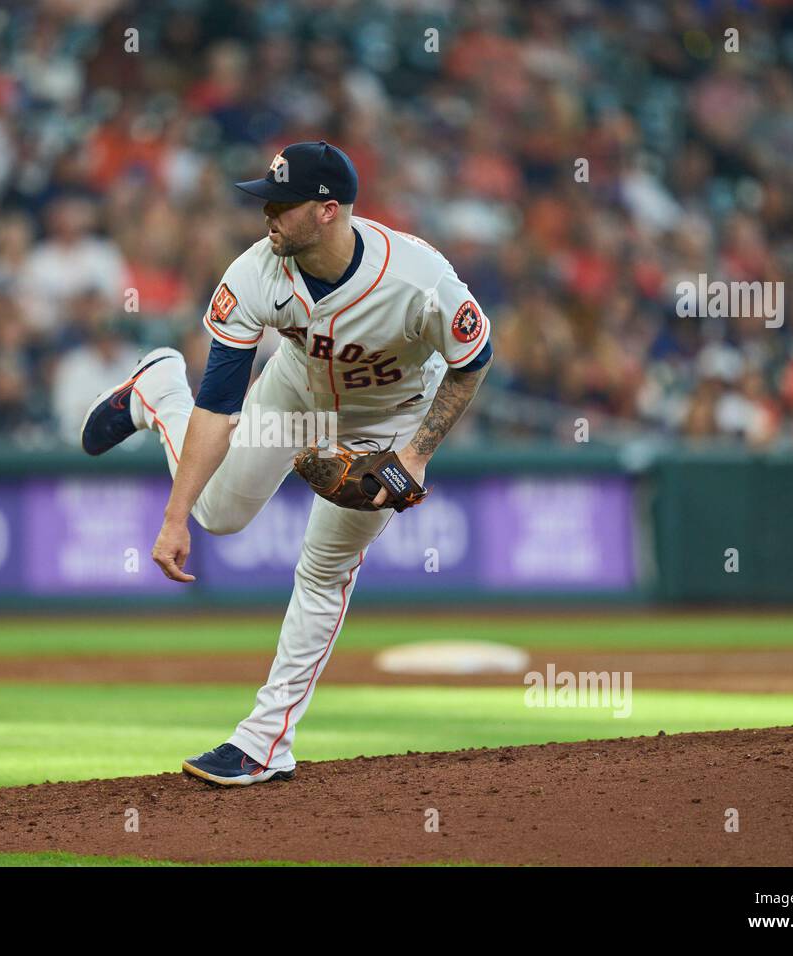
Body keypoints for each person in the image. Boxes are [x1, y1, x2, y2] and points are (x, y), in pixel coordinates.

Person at [80, 142, 493, 785]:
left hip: (390, 418)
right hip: (297, 393)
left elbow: (472, 361)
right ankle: (159, 389)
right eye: (265, 200)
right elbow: (217, 407)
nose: (266, 213)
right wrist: (175, 517)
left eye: (281, 202)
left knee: (326, 567)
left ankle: (265, 741)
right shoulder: (253, 275)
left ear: (327, 211)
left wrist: (414, 455)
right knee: (216, 514)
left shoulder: (419, 279)